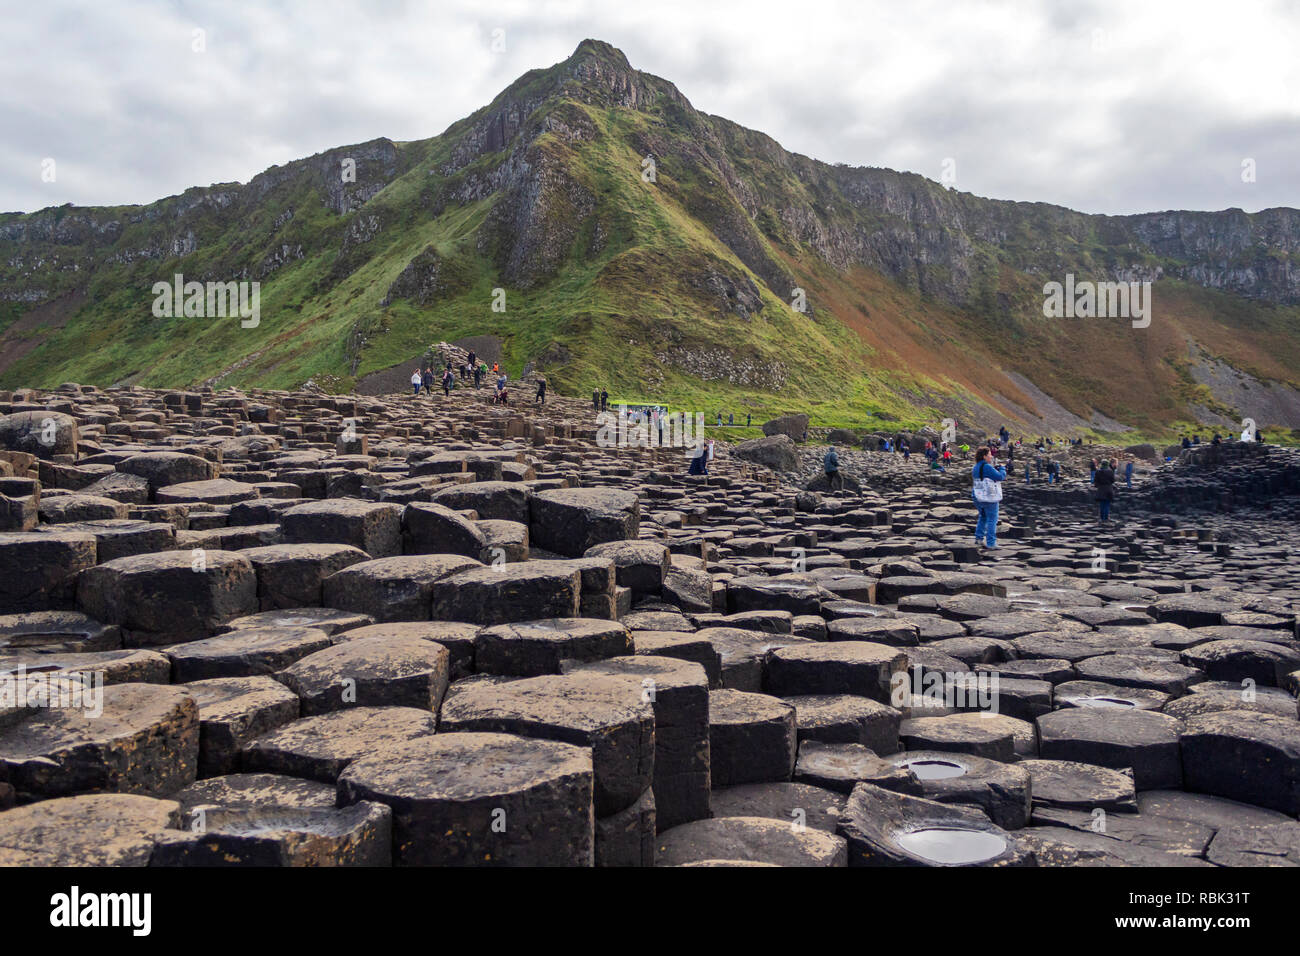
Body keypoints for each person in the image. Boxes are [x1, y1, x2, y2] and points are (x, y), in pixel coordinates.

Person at [971, 446, 1006, 550]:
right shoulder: (987, 467)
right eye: (990, 454)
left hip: (977, 496)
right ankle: (991, 543)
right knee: (992, 519)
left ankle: (978, 538)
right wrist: (1003, 469)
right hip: (989, 496)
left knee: (983, 517)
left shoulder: (976, 467)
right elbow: (1000, 477)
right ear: (984, 456)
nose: (991, 456)